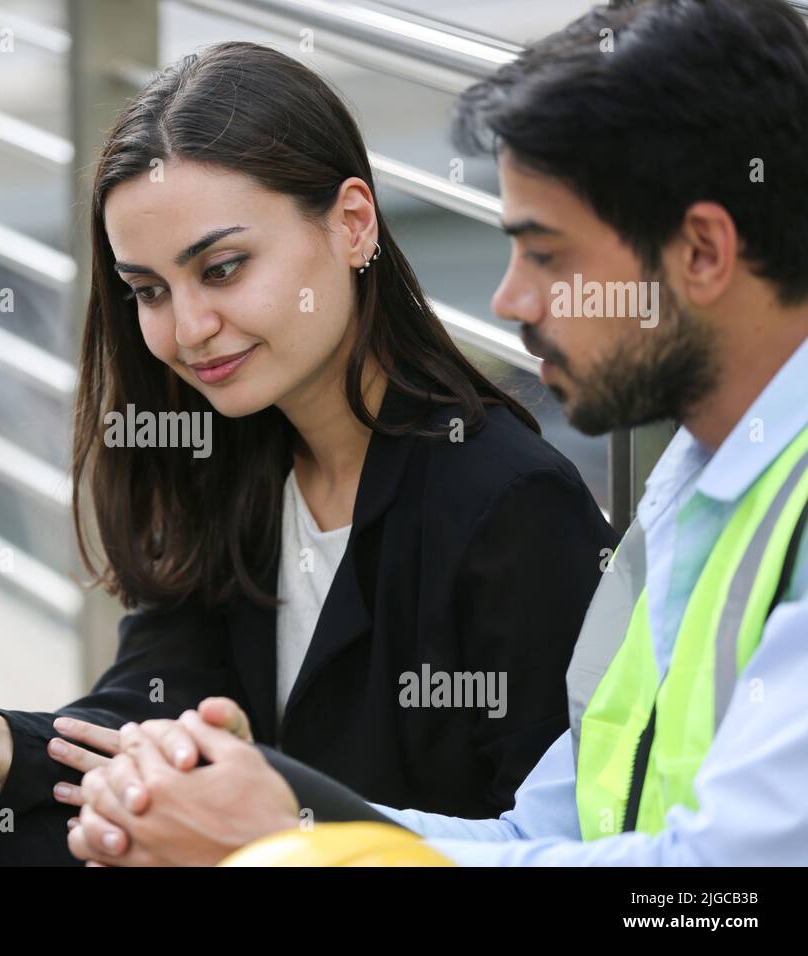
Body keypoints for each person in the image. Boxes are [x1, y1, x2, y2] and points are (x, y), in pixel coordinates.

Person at [64, 0, 808, 867]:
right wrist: (287, 827)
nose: (510, 303)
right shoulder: (693, 485)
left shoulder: (540, 499)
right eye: (147, 289)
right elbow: (540, 836)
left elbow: (716, 894)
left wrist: (290, 847)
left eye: (548, 255)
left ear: (704, 254)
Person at [0, 40, 614, 866]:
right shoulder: (229, 452)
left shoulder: (511, 506)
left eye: (224, 267)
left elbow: (554, 840)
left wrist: (267, 821)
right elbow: (146, 710)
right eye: (149, 291)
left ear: (354, 225)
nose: (187, 329)